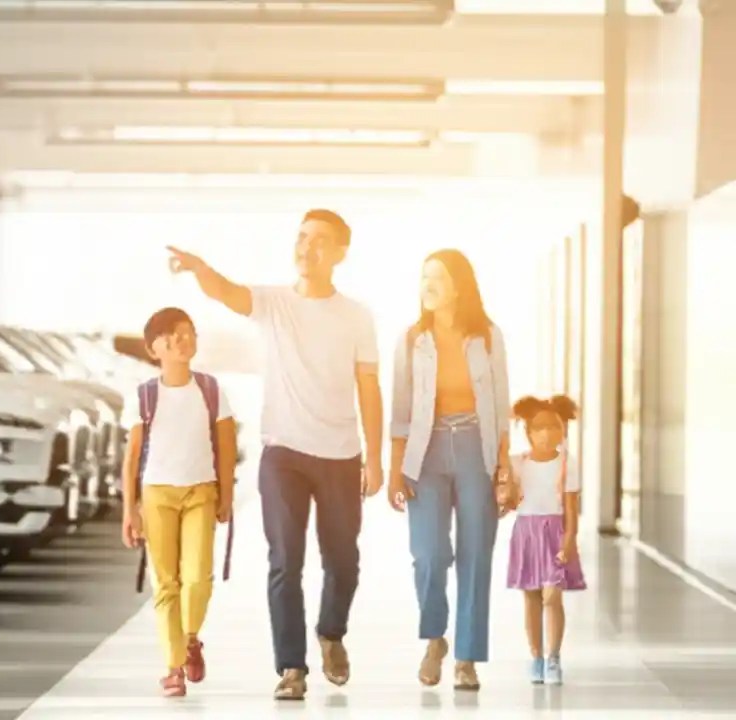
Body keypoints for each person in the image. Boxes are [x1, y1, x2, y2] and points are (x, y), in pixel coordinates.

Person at [167, 209, 384, 701]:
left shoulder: (357, 316)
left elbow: (368, 387)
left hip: (341, 455)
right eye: (302, 237)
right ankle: (291, 667)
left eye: (320, 241)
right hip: (283, 452)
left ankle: (331, 633)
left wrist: (375, 456)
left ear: (340, 253)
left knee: (343, 560)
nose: (307, 248)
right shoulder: (273, 303)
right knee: (286, 559)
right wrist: (200, 268)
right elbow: (226, 291)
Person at [388, 248, 511, 692]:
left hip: (477, 448)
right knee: (429, 555)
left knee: (477, 555)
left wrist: (504, 469)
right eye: (424, 277)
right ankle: (435, 636)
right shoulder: (411, 339)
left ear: (459, 285)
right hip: (426, 452)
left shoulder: (489, 336)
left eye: (437, 277)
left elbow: (501, 406)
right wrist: (394, 468)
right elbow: (400, 410)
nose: (428, 285)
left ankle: (466, 658)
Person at [120, 307, 238, 698]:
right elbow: (132, 457)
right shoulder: (143, 395)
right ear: (154, 349)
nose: (181, 342)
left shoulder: (210, 389)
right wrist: (129, 510)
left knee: (198, 576)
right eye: (170, 337)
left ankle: (190, 638)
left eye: (187, 333)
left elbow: (225, 445)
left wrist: (227, 493)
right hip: (157, 495)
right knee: (165, 583)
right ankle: (173, 667)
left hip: (201, 491)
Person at [506, 394, 586, 686]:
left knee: (552, 596)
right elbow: (508, 500)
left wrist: (568, 542)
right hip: (526, 533)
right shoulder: (517, 463)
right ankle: (536, 656)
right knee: (531, 597)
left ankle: (554, 657)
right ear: (528, 431)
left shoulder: (568, 463)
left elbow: (571, 508)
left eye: (553, 426)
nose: (547, 433)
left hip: (555, 532)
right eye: (539, 427)